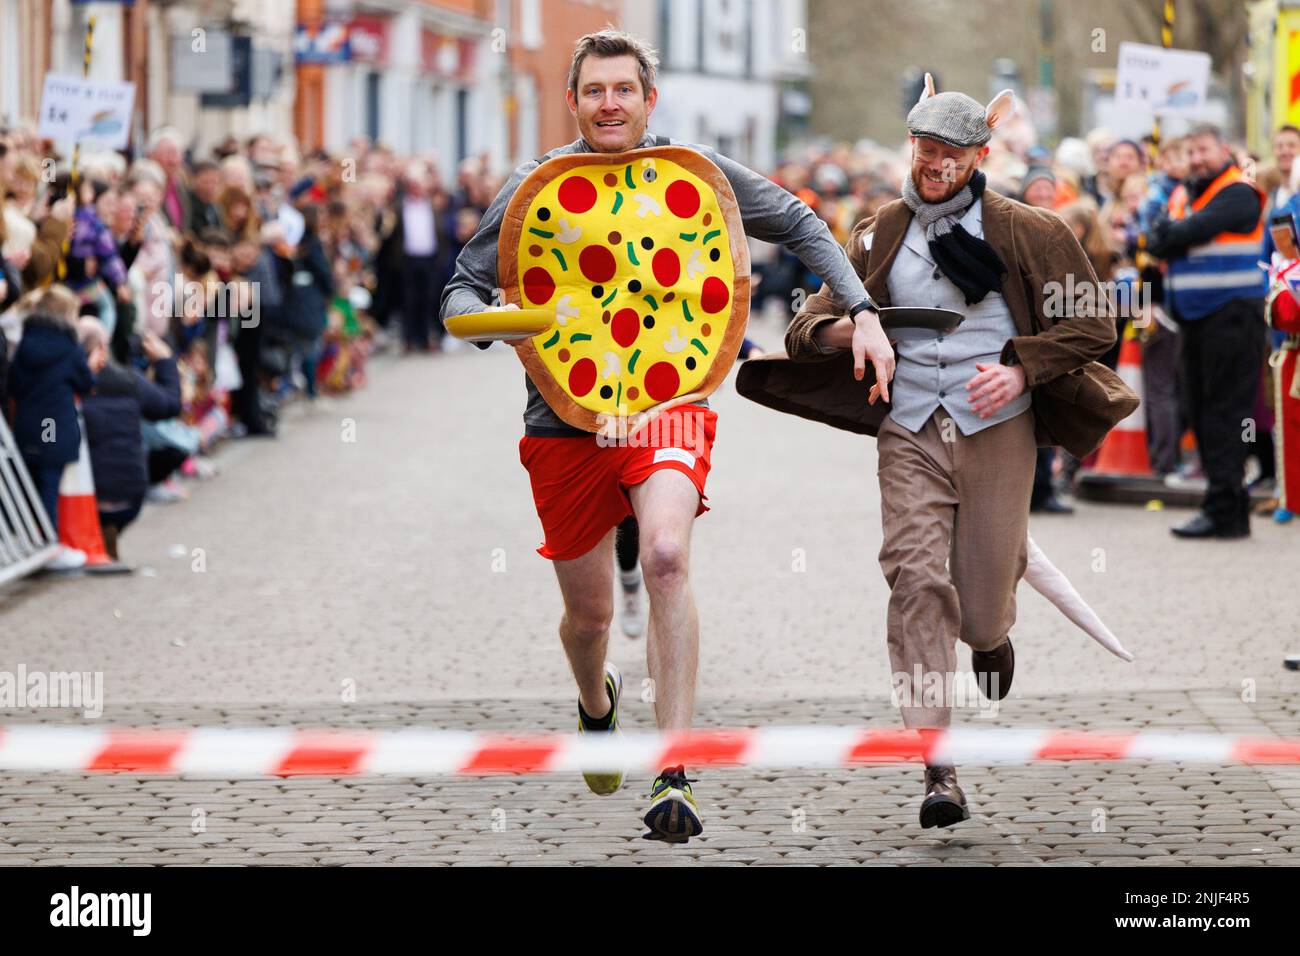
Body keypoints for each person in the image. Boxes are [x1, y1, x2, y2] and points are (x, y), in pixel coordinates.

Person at [441, 29, 893, 843]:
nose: (609, 103)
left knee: (666, 556)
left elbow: (799, 222)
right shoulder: (535, 185)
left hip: (668, 403)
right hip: (565, 421)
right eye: (593, 90)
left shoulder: (696, 173)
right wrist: (510, 321)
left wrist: (861, 311)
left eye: (624, 89)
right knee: (587, 620)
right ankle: (596, 703)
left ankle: (674, 768)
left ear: (651, 100)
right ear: (574, 101)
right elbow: (460, 294)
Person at [753, 76, 1130, 827]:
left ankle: (993, 637)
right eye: (926, 148)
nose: (935, 163)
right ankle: (938, 765)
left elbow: (1095, 326)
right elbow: (804, 327)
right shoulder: (875, 231)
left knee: (980, 610)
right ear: (913, 147)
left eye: (952, 152)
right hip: (911, 429)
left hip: (998, 430)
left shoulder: (1030, 230)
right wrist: (852, 328)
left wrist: (1021, 366)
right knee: (916, 582)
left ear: (982, 155)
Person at [1144, 124, 1268, 539]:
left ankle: (1227, 512)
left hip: (1232, 317)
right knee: (1199, 411)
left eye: (1204, 150)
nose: (1197, 158)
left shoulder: (1239, 191)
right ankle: (1222, 508)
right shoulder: (1185, 194)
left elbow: (1180, 234)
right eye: (1191, 150)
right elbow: (1158, 241)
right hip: (1195, 320)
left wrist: (1173, 234)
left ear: (1224, 149)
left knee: (1225, 416)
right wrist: (1171, 235)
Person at [6, 286, 95, 570]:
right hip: (54, 425)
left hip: (30, 425)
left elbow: (14, 386)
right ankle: (49, 547)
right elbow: (85, 383)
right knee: (49, 486)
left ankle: (26, 541)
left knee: (29, 484)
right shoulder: (70, 347)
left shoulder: (25, 344)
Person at [76, 320, 181, 559]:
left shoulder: (66, 384)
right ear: (104, 347)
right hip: (131, 495)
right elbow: (170, 405)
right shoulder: (129, 380)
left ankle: (96, 539)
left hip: (87, 496)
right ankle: (105, 537)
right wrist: (164, 361)